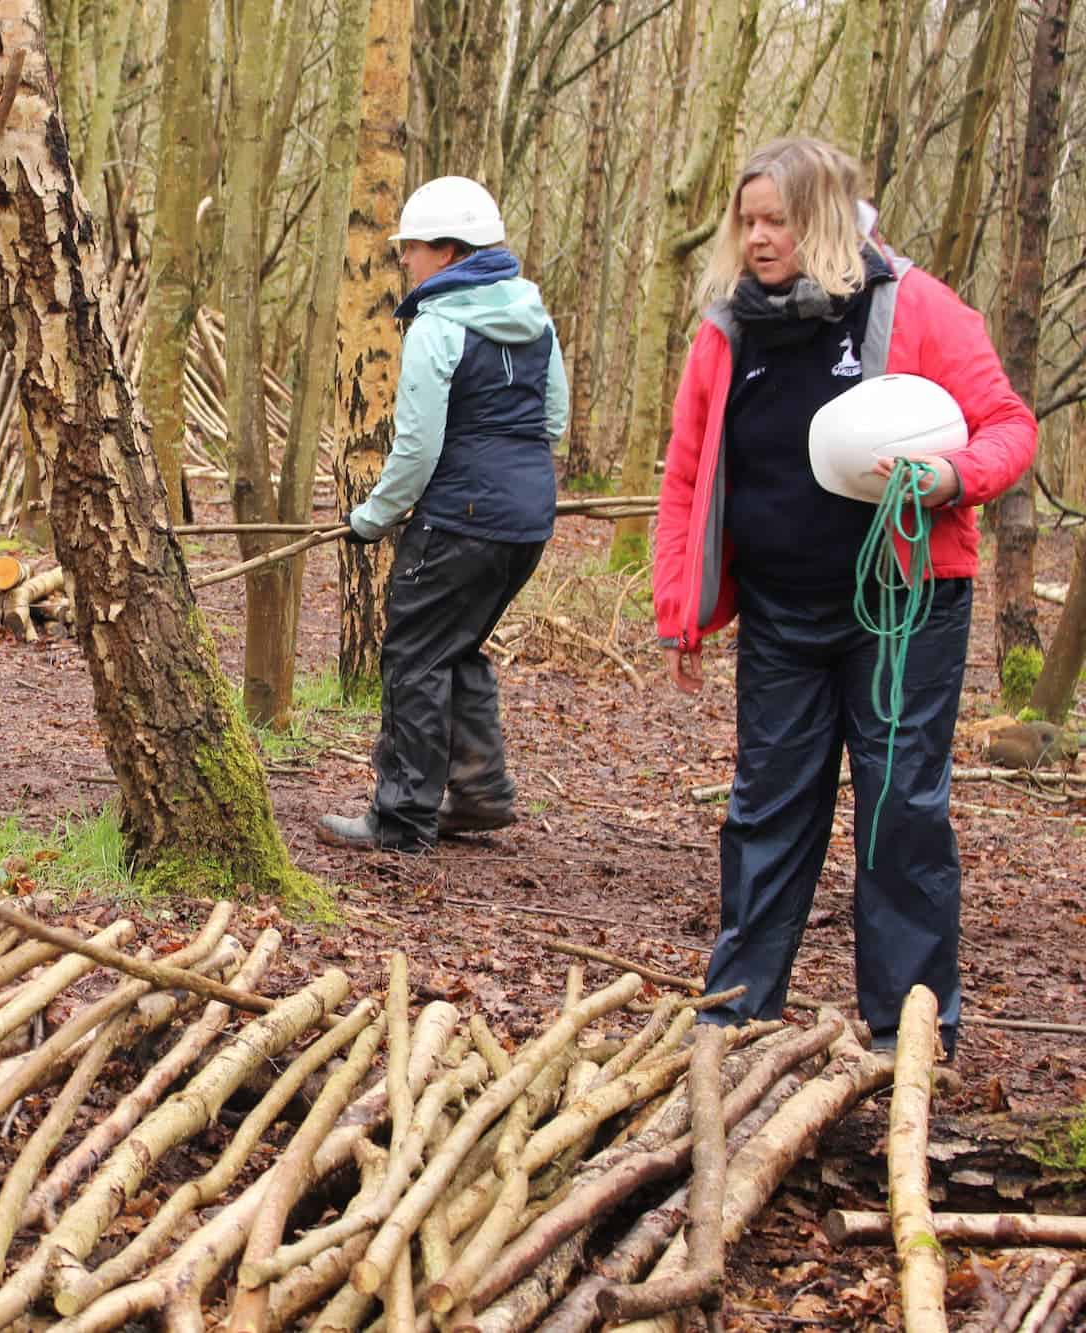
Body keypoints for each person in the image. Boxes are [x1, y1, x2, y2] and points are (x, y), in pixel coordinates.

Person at [653, 137, 1035, 1059]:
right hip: (781, 611)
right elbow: (689, 473)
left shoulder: (918, 306)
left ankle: (909, 1027)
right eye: (747, 221)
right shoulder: (727, 329)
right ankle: (736, 1016)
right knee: (767, 805)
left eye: (776, 220)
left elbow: (1009, 426)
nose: (757, 238)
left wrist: (949, 476)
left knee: (901, 807)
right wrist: (683, 608)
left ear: (822, 218)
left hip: (903, 608)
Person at [317, 175, 569, 853]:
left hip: (460, 518)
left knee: (413, 657)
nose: (406, 259)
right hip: (526, 521)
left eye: (416, 247)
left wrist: (374, 515)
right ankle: (480, 792)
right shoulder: (536, 319)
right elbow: (553, 418)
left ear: (451, 252)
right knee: (456, 647)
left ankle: (401, 817)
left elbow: (418, 446)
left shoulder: (438, 326)